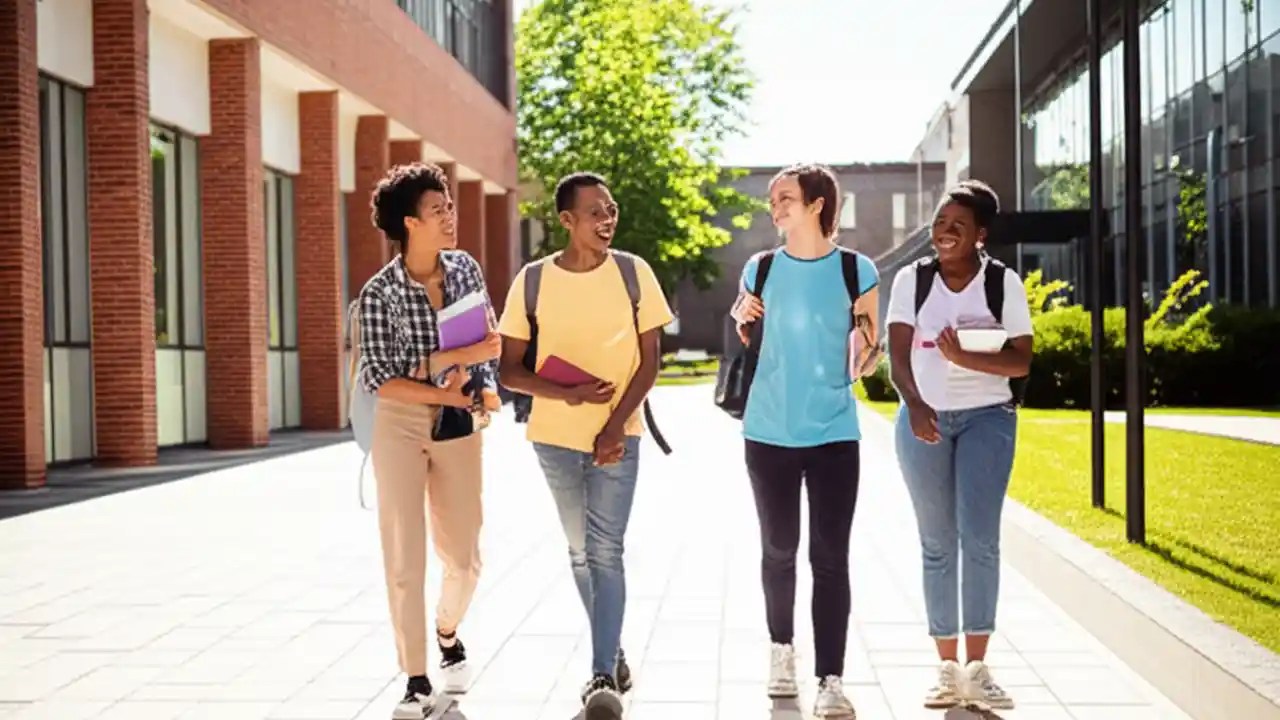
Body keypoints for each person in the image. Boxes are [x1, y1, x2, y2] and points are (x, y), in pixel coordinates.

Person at [497, 172, 673, 720]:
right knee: (579, 552)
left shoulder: (632, 273)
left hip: (619, 436)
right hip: (554, 437)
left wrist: (616, 423)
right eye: (594, 211)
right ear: (566, 221)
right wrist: (565, 392)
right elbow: (509, 371)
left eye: (611, 208)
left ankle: (601, 676)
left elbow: (650, 363)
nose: (607, 218)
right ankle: (612, 649)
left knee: (605, 550)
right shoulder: (532, 281)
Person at [729, 163, 880, 719]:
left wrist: (866, 345)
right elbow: (746, 331)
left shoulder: (854, 270)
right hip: (768, 432)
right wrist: (741, 316)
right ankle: (781, 651)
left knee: (831, 558)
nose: (776, 207)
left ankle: (831, 680)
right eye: (773, 200)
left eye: (786, 197)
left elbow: (867, 353)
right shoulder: (761, 268)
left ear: (817, 204)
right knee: (778, 550)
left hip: (835, 433)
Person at [356, 162, 502, 719]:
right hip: (399, 421)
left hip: (459, 418)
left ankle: (447, 631)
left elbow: (487, 341)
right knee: (403, 554)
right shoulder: (378, 294)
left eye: (450, 206)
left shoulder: (465, 268)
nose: (450, 216)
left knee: (464, 556)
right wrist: (451, 367)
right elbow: (380, 377)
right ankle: (416, 678)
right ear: (410, 223)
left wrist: (474, 384)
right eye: (438, 209)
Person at [884, 180, 1033, 710]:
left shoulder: (1002, 283)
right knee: (937, 542)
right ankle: (946, 669)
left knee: (980, 539)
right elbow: (896, 356)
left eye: (958, 226)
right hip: (922, 420)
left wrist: (966, 359)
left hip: (987, 420)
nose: (944, 232)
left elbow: (1020, 360)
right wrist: (918, 405)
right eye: (941, 221)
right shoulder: (912, 280)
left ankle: (978, 666)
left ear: (980, 236)